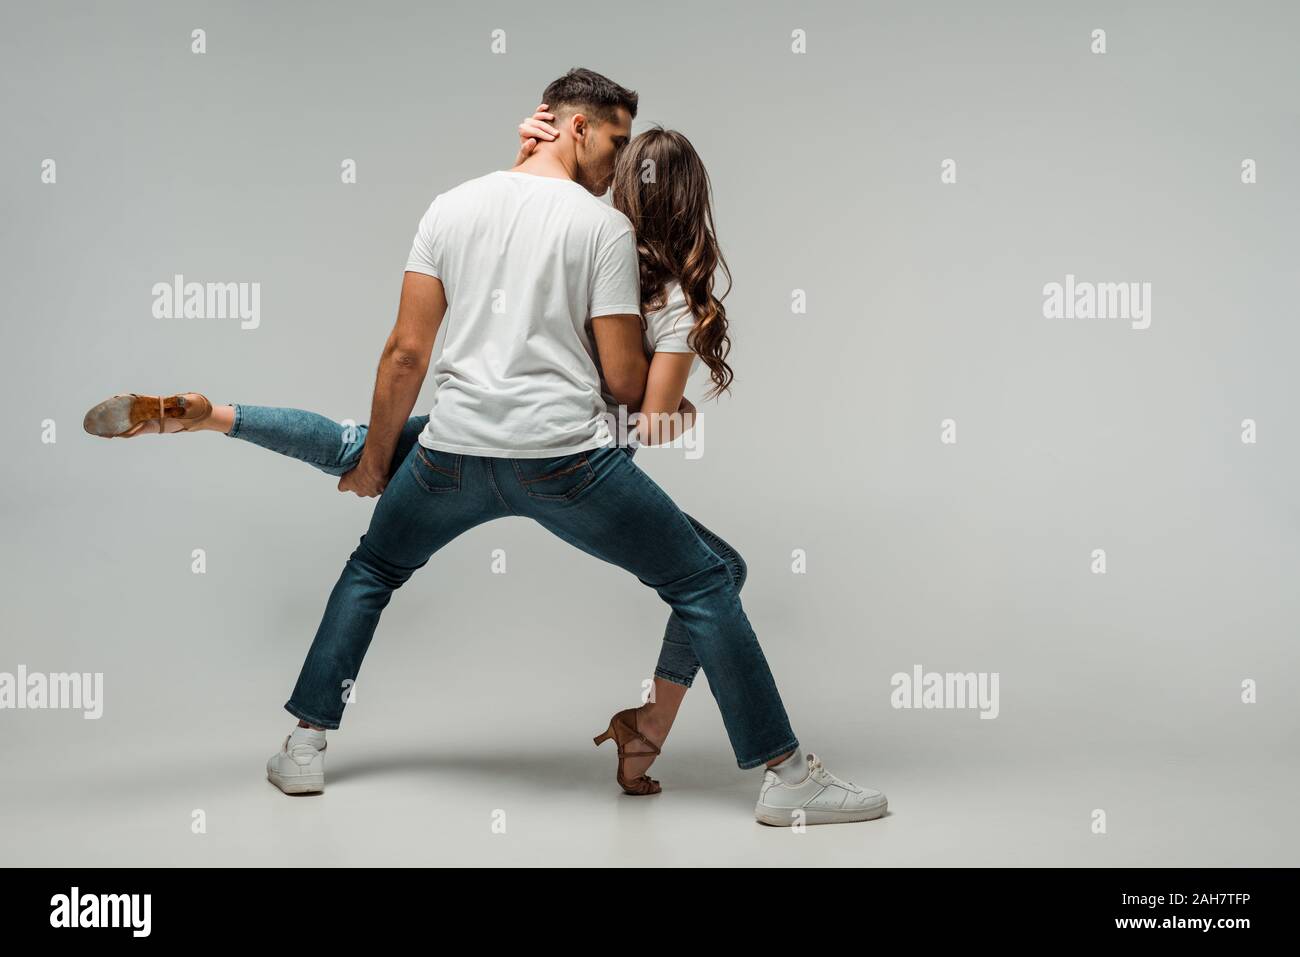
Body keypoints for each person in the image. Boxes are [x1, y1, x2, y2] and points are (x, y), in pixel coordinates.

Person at [83, 69, 887, 825]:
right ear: (577, 127)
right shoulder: (604, 229)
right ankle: (788, 778)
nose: (616, 168)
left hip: (454, 455)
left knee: (372, 557)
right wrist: (669, 346)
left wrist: (373, 465)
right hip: (567, 463)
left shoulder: (451, 206)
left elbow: (406, 352)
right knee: (706, 581)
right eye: (611, 145)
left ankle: (302, 746)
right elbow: (620, 382)